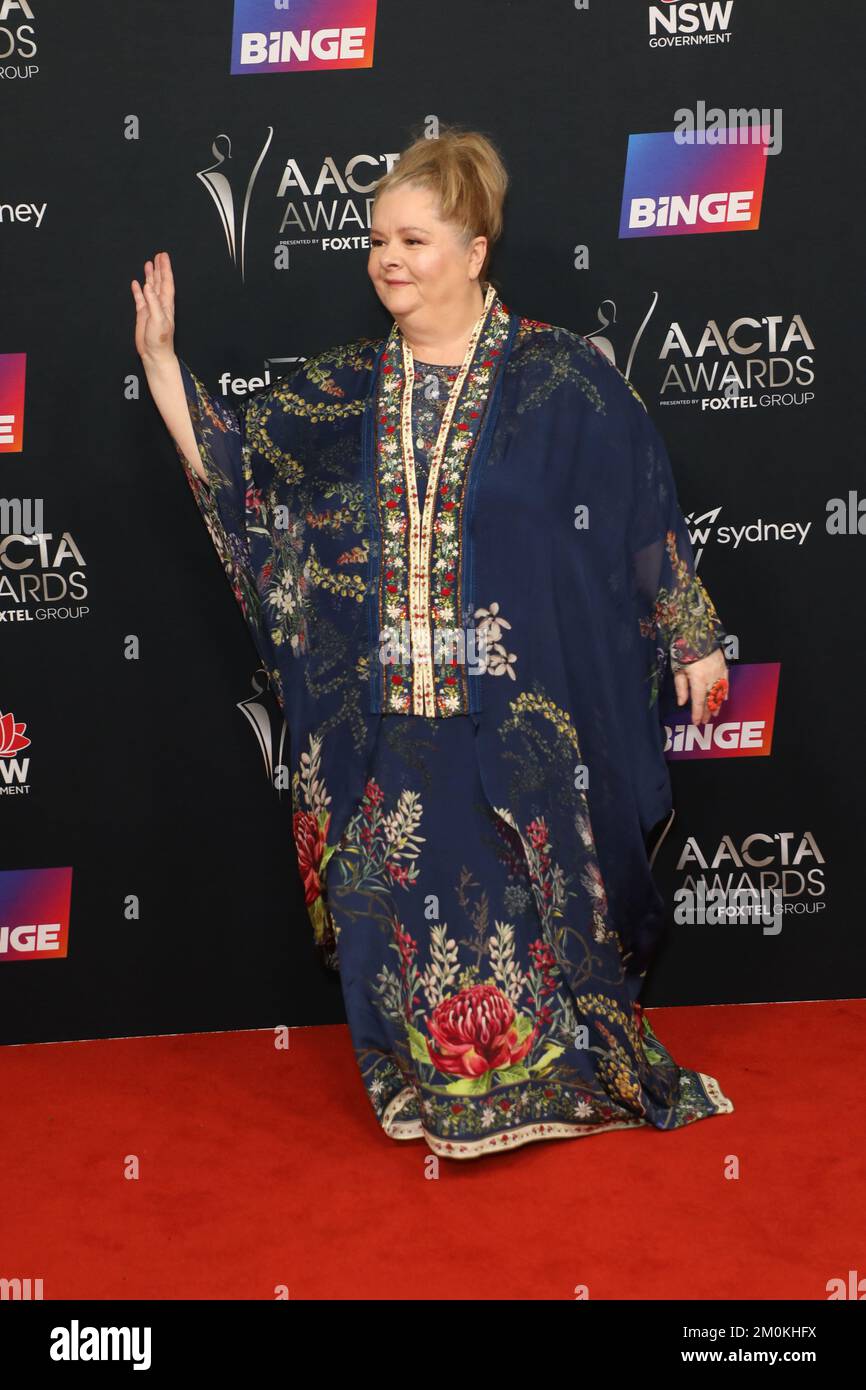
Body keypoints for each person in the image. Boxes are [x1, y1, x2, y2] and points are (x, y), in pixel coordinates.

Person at [132, 126, 734, 1161]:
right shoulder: (348, 389)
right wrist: (158, 364)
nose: (388, 260)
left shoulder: (561, 381)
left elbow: (635, 505)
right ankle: (439, 1087)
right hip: (390, 731)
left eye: (412, 239)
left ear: (473, 248)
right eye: (376, 241)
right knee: (401, 895)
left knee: (532, 913)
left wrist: (690, 636)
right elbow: (244, 476)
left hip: (520, 724)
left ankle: (552, 1076)